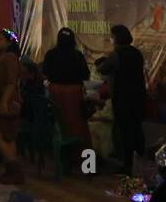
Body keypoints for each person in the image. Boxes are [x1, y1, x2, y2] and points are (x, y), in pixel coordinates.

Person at [98, 24, 147, 175]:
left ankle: (127, 165)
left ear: (117, 38)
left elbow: (103, 69)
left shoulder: (116, 54)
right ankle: (140, 162)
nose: (111, 39)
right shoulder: (137, 53)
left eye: (112, 36)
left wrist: (101, 62)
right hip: (138, 96)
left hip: (123, 96)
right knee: (136, 128)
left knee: (125, 131)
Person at [42, 27, 92, 147]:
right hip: (74, 92)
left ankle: (62, 153)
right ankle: (81, 155)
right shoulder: (77, 55)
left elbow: (45, 72)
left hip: (55, 90)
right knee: (77, 121)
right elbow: (86, 75)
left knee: (60, 121)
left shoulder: (51, 54)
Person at [0, 28, 24, 185]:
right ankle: (10, 171)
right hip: (2, 100)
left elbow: (11, 82)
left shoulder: (9, 58)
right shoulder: (6, 57)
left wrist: (3, 102)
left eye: (1, 39)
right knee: (8, 136)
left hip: (3, 101)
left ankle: (15, 171)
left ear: (9, 42)